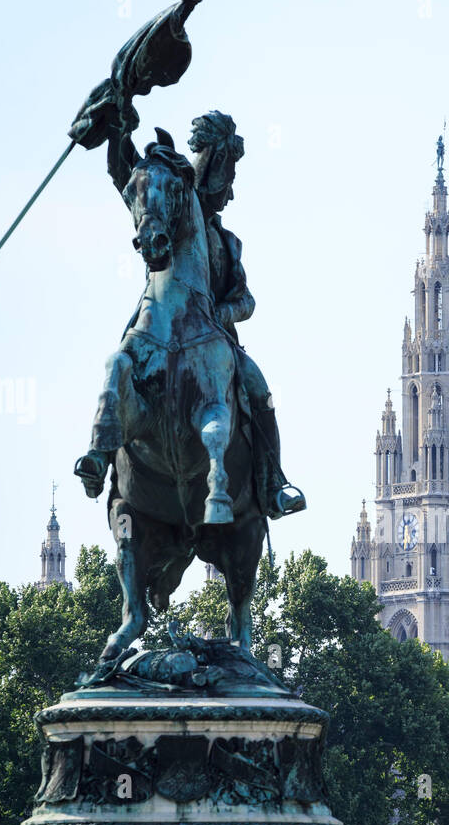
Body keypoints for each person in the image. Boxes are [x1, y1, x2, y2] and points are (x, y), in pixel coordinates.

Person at [75, 99, 303, 520]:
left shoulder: (225, 243)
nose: (220, 187)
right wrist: (117, 128)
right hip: (155, 329)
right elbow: (127, 177)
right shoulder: (171, 214)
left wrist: (222, 314)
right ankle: (99, 453)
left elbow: (246, 300)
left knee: (259, 390)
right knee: (118, 364)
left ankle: (274, 482)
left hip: (211, 344)